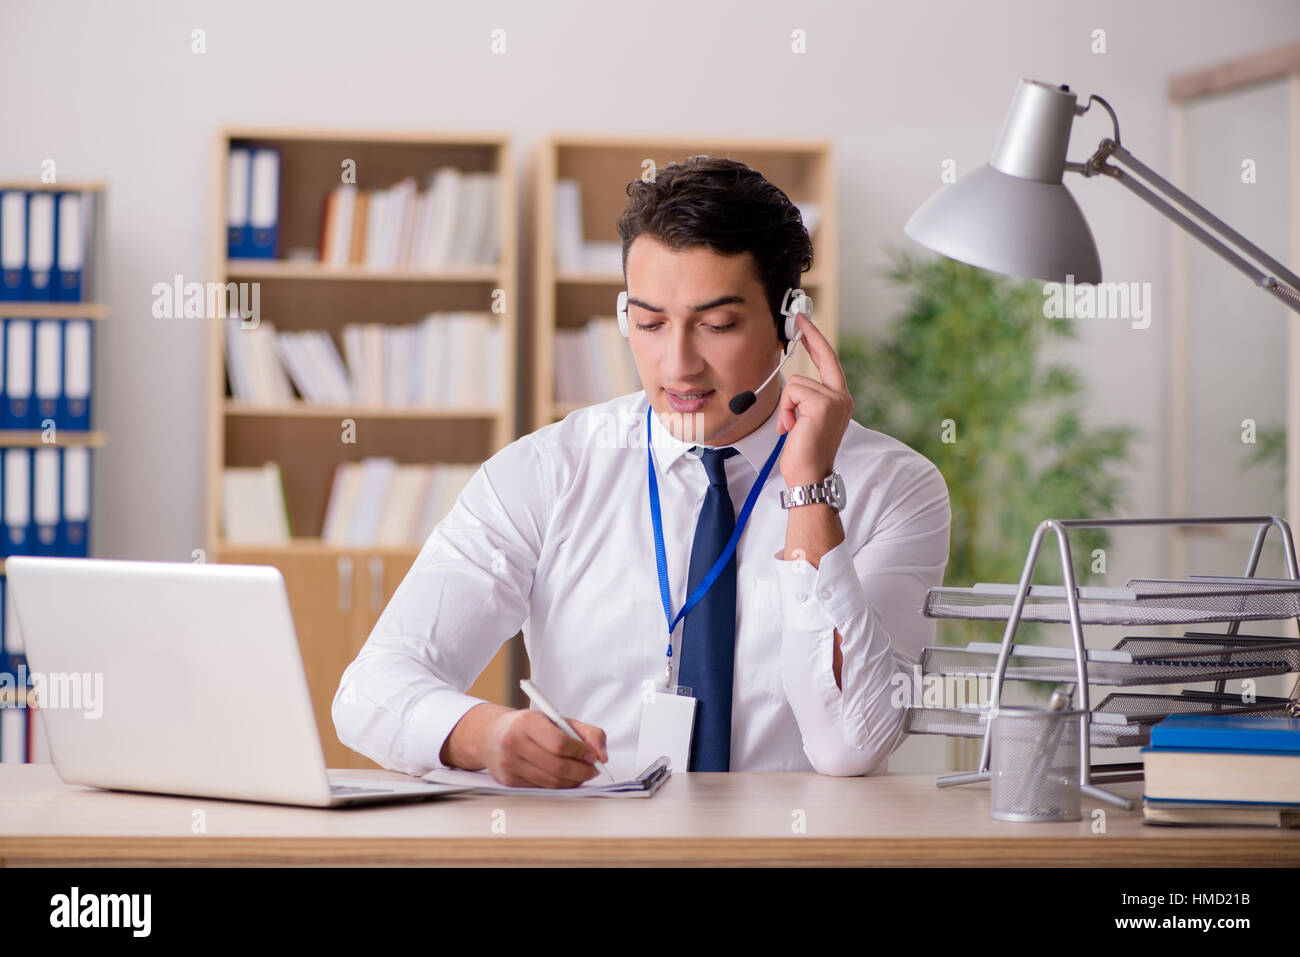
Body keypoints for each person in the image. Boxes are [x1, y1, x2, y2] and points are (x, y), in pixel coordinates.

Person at [332, 156, 951, 787]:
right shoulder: (546, 472)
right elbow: (368, 689)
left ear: (790, 325)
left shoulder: (895, 488)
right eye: (650, 323)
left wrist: (811, 490)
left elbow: (852, 742)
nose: (677, 365)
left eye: (716, 325)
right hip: (598, 850)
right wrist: (485, 735)